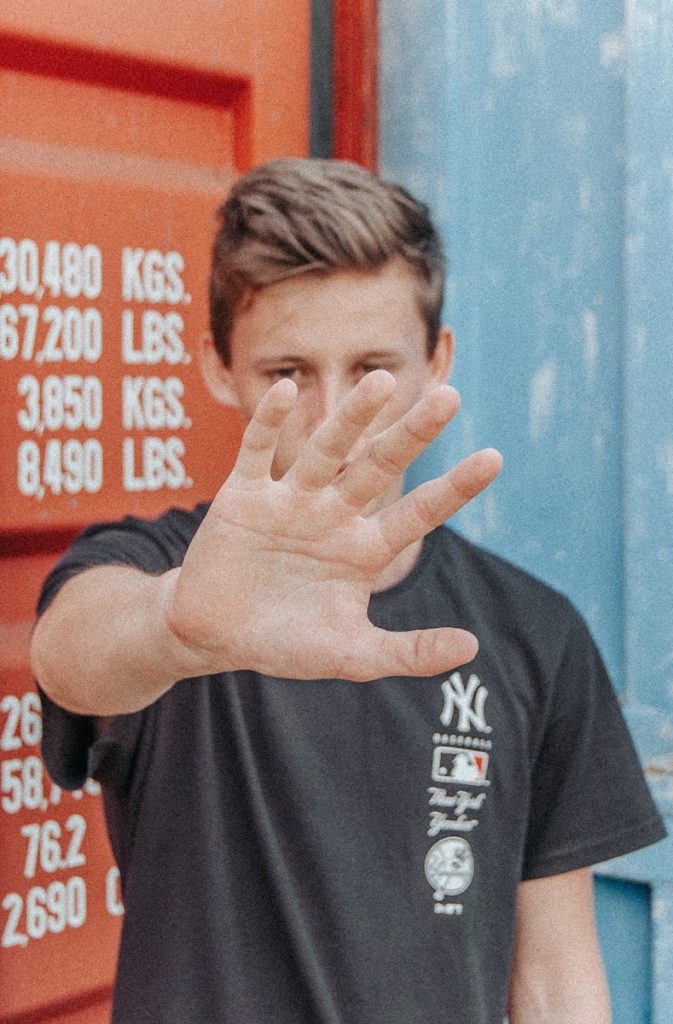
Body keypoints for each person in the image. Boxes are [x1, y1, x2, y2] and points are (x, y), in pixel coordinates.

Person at [31, 158, 664, 1024]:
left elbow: (555, 978)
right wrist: (176, 630)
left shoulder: (533, 633)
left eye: (373, 368)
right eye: (285, 374)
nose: (337, 414)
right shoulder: (156, 571)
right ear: (217, 366)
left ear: (437, 359)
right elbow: (73, 658)